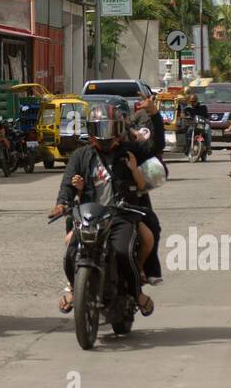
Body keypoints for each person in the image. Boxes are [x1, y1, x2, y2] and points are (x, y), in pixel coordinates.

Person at [50, 103, 162, 315]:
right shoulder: (80, 156)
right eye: (99, 129)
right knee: (71, 250)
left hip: (120, 214)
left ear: (118, 130)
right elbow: (67, 184)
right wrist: (61, 203)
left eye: (108, 129)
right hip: (89, 215)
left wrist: (155, 115)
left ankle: (136, 292)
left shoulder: (128, 152)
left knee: (123, 251)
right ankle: (75, 289)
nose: (104, 136)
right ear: (91, 130)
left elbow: (155, 148)